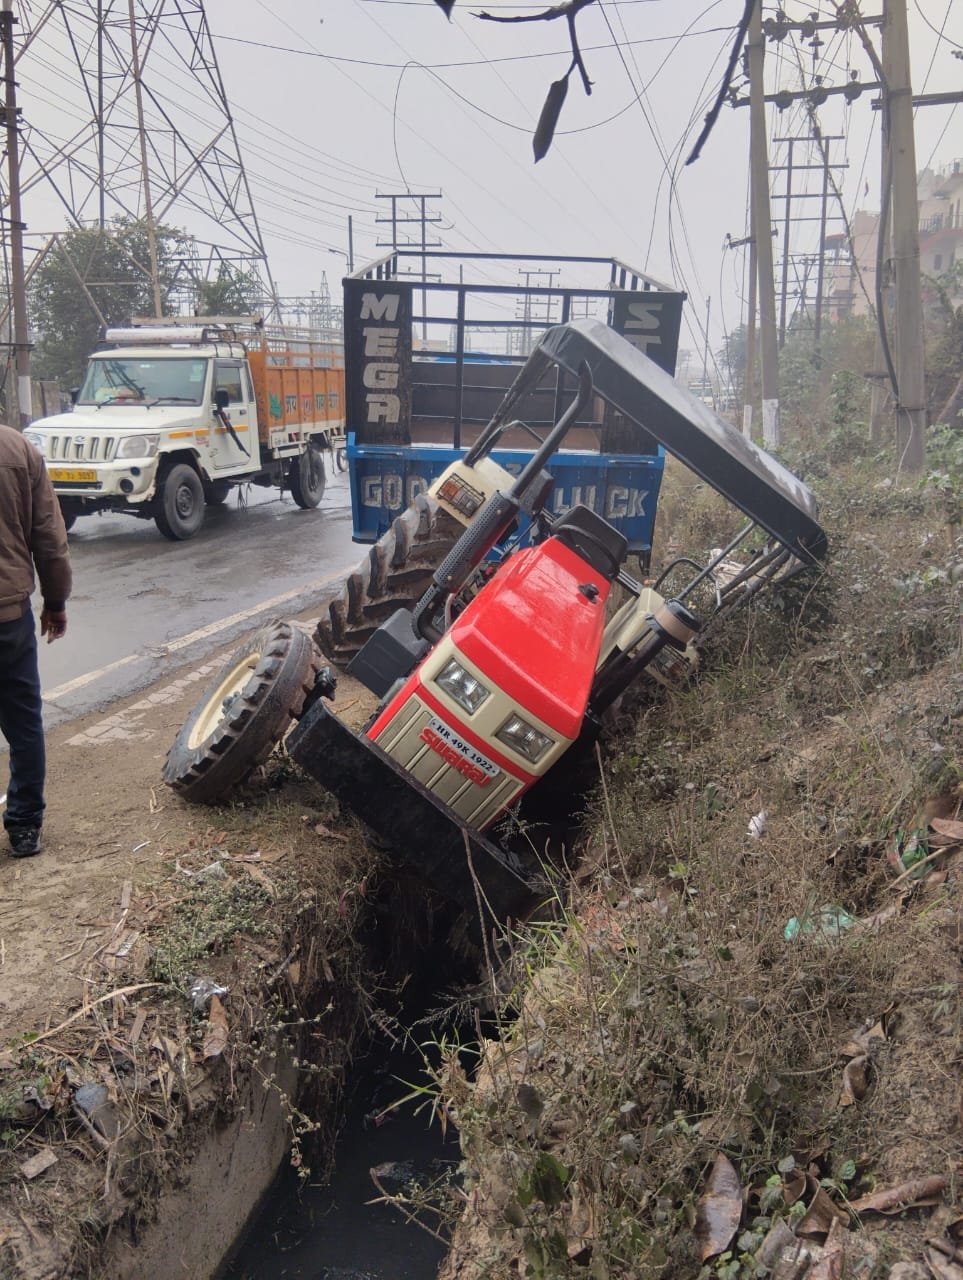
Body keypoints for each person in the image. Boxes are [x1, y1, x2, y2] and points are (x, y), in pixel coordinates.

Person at [0, 423, 72, 857]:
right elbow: (48, 536)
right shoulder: (17, 448)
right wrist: (56, 600)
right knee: (24, 722)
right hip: (8, 616)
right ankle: (25, 828)